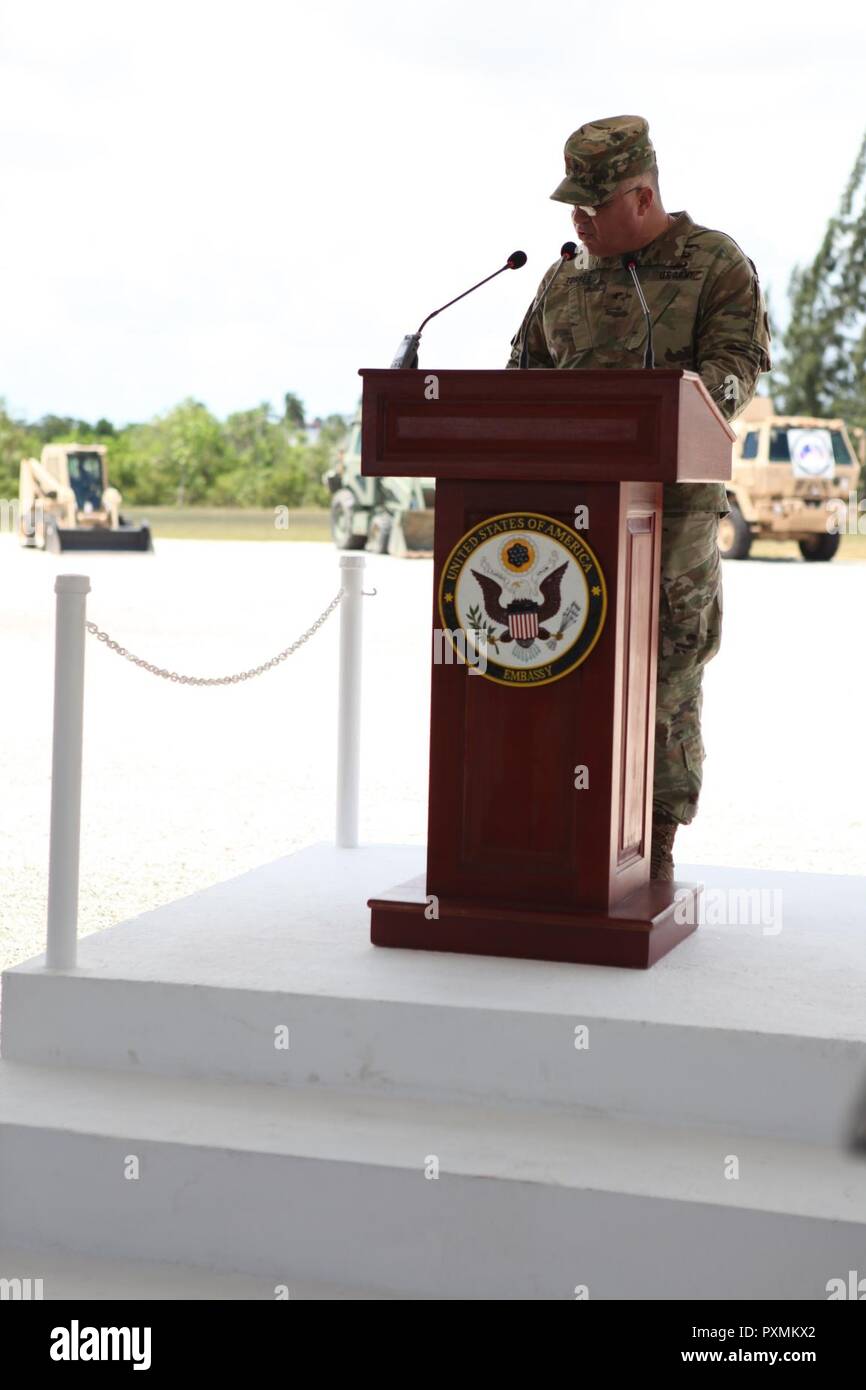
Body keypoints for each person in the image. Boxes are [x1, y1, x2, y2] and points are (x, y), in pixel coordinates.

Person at [506, 114, 771, 879]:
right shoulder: (563, 276)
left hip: (673, 520)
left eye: (593, 207)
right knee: (556, 661)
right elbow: (521, 379)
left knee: (665, 673)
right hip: (565, 521)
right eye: (573, 209)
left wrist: (668, 408)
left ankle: (651, 838)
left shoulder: (712, 263)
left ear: (643, 195)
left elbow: (735, 372)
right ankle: (549, 823)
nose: (579, 222)